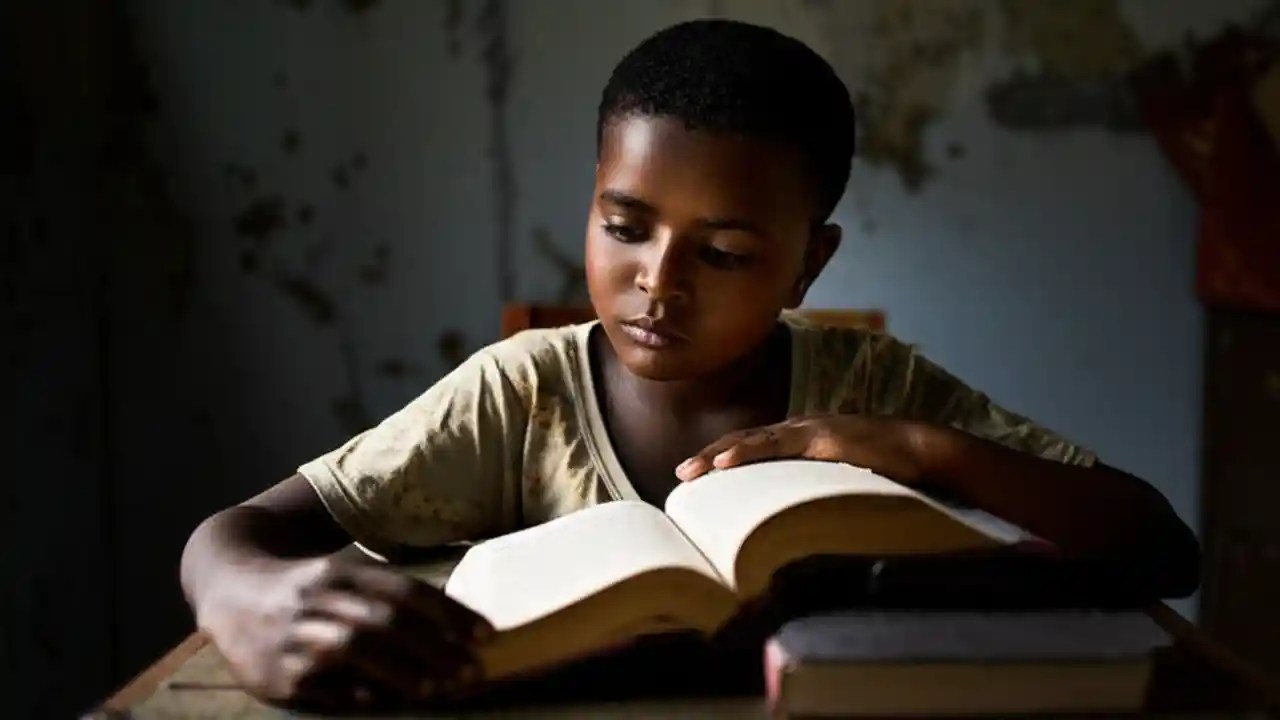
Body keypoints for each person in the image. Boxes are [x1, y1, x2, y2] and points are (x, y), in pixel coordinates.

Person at [180, 18, 1199, 711]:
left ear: (808, 263)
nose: (656, 284)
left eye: (722, 255)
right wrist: (242, 599)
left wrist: (923, 451)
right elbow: (241, 532)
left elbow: (1158, 548)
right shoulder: (519, 394)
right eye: (623, 226)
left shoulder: (876, 392)